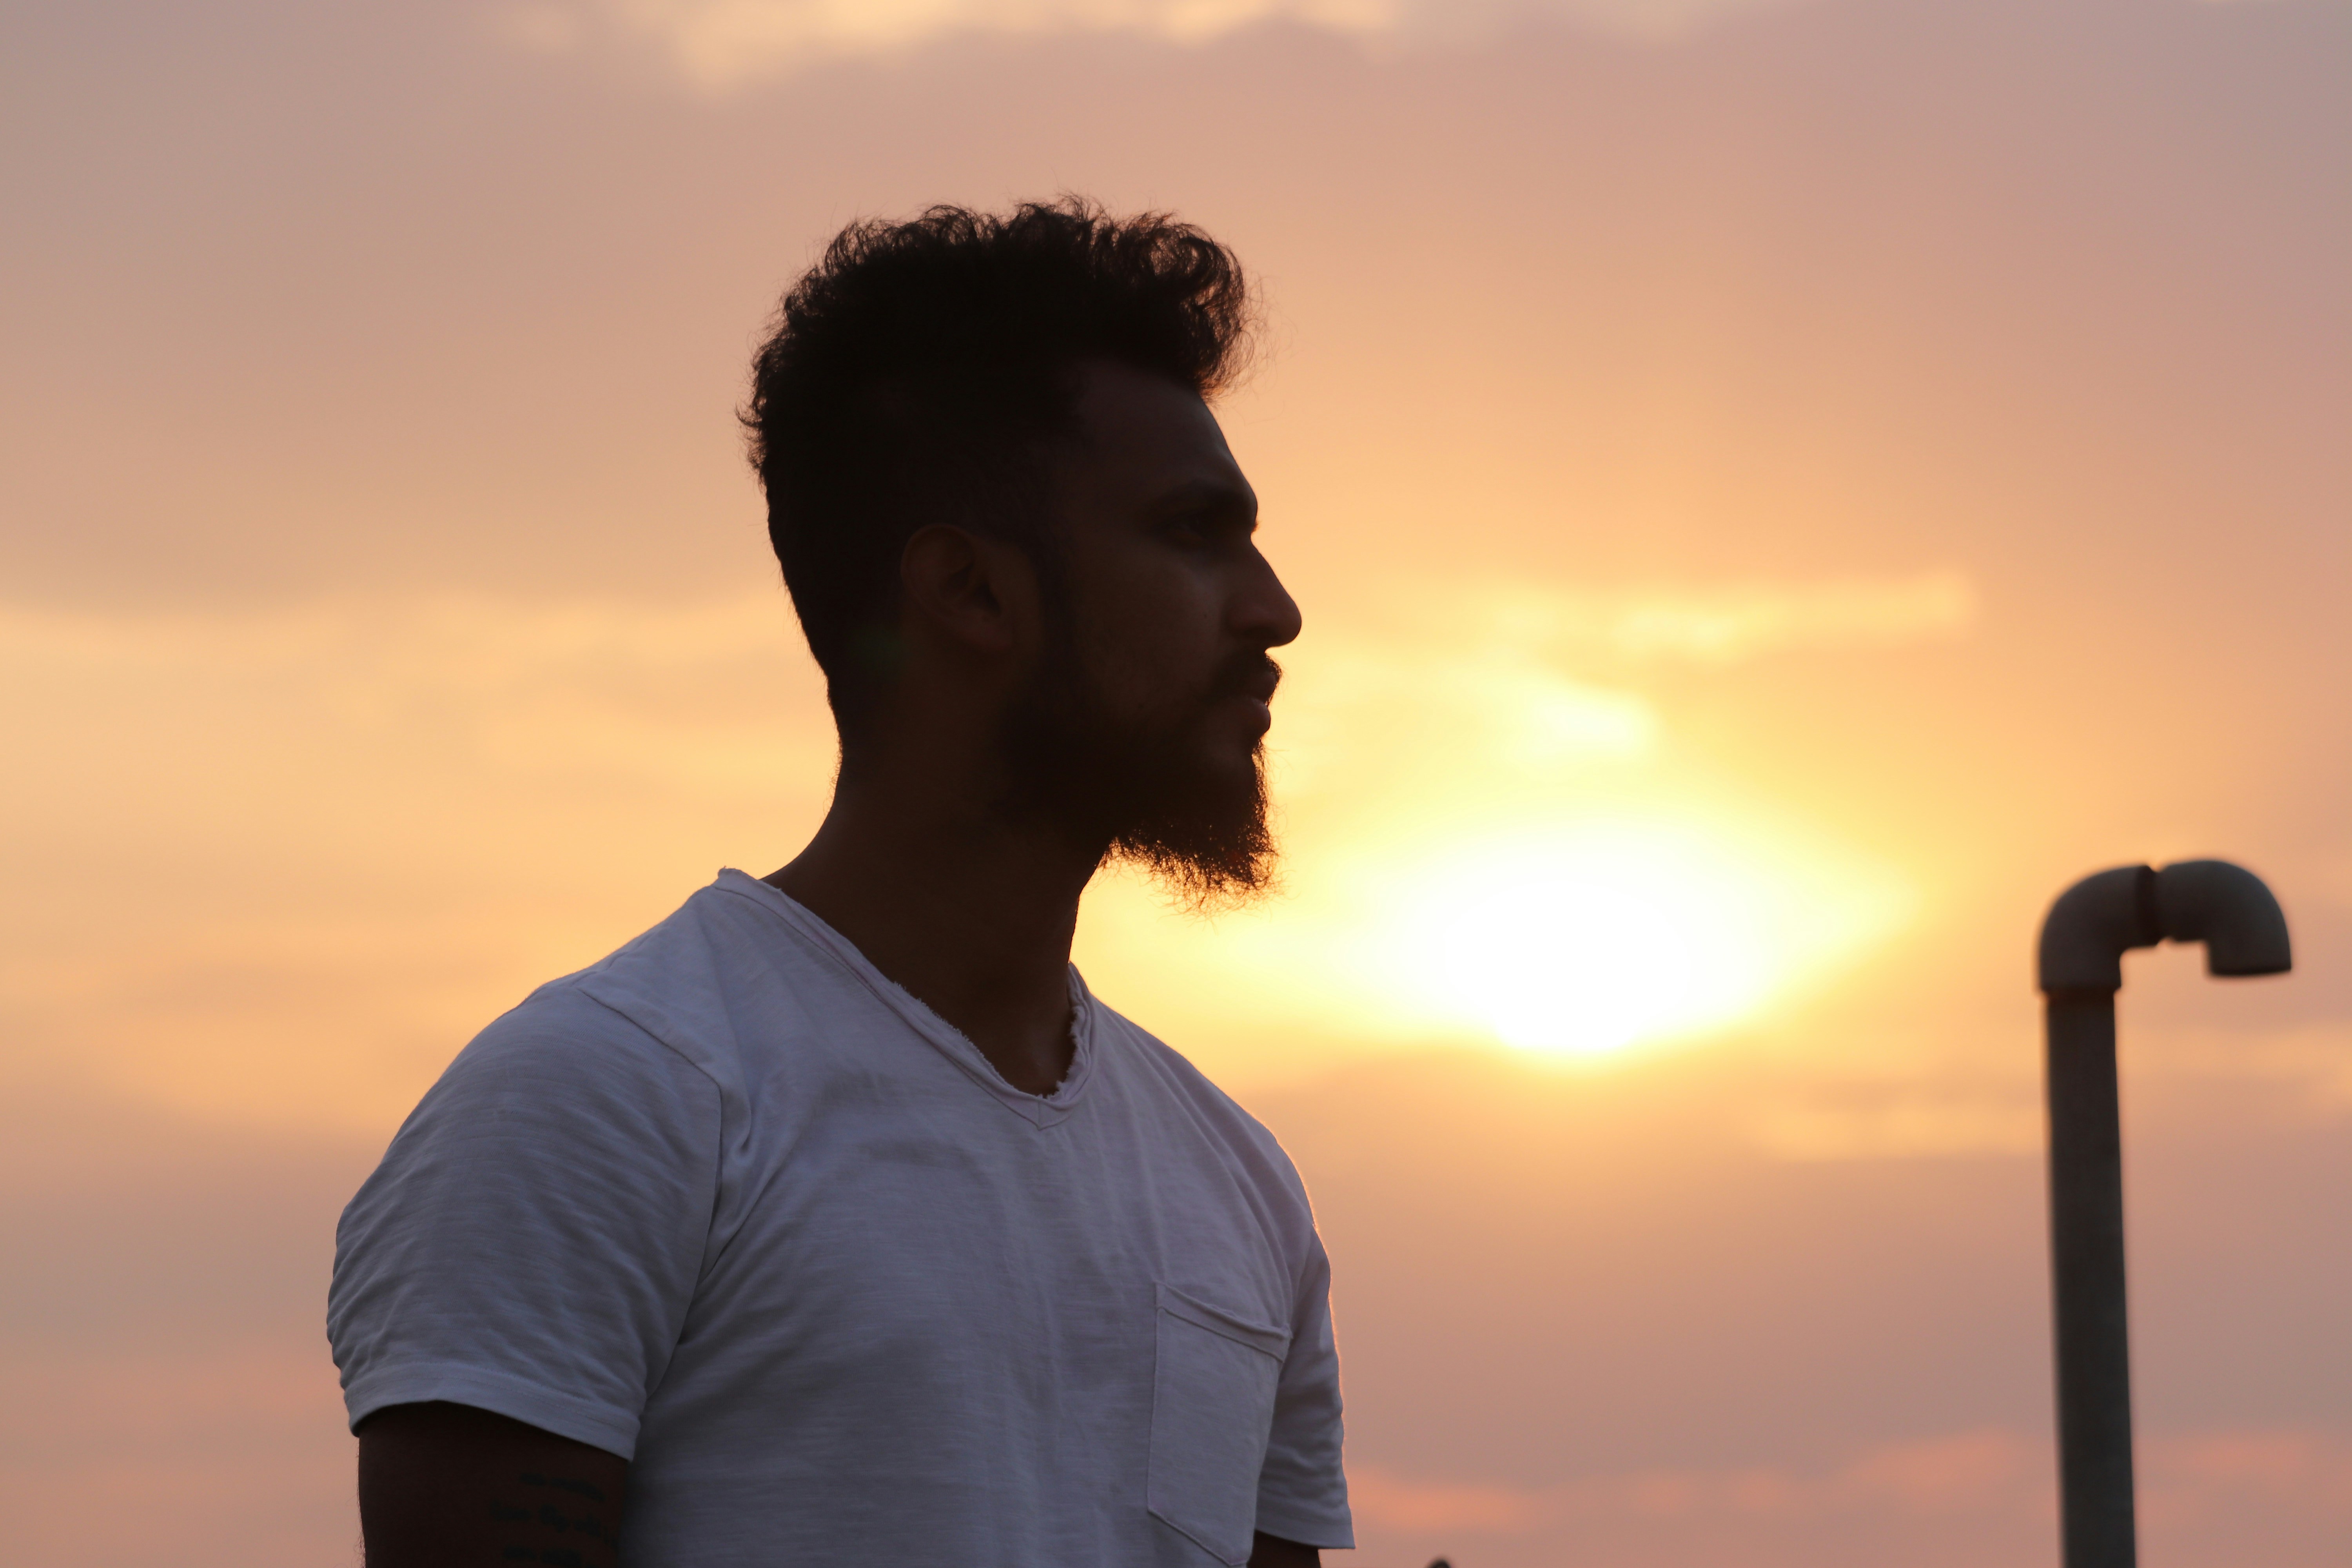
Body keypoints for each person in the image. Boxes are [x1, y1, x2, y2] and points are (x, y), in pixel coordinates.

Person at [328, 198, 1350, 1568]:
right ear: (971, 593)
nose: (1274, 608)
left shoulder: (1240, 1187)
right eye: (1192, 533)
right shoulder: (607, 1102)